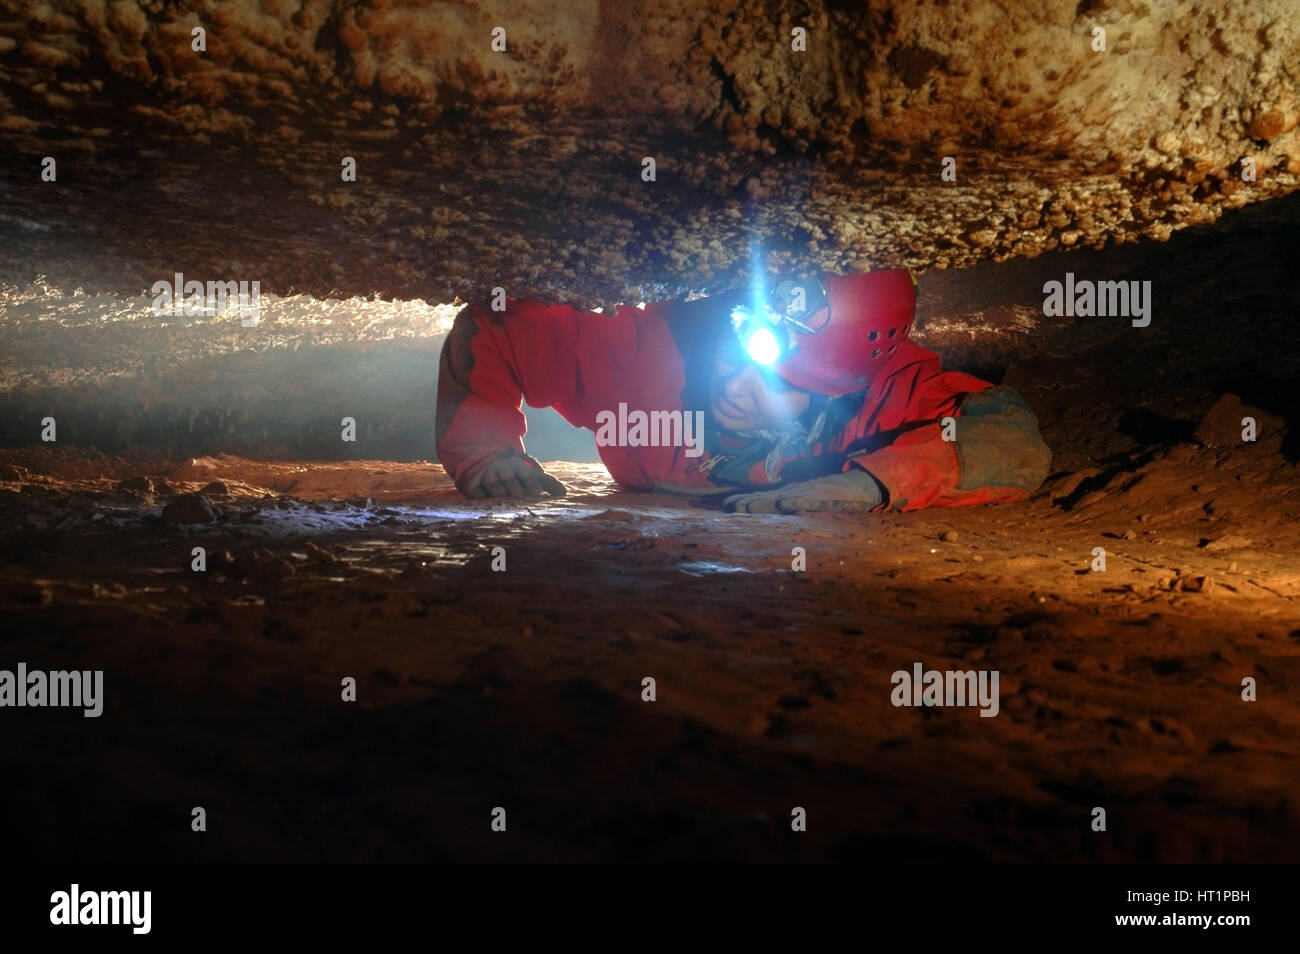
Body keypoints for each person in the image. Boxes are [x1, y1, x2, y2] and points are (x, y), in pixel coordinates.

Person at [435, 270, 1051, 513]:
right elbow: (495, 324)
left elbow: (1007, 437)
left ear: (838, 389)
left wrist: (873, 482)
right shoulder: (646, 352)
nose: (734, 383)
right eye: (739, 354)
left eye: (777, 381)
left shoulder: (883, 390)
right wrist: (487, 453)